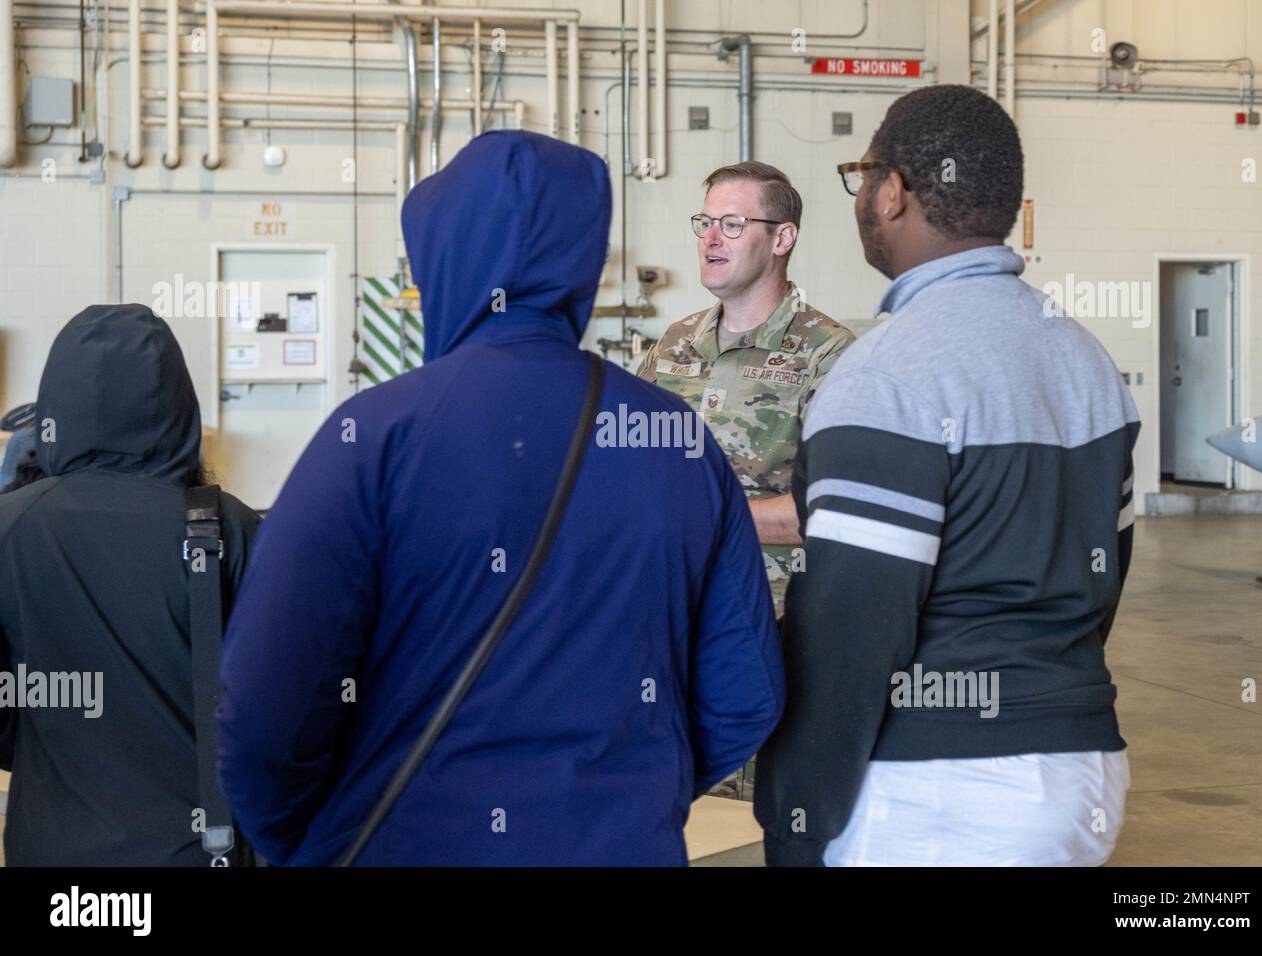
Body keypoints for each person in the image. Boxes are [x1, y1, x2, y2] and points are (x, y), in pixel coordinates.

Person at [218, 131, 784, 867]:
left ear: (443, 255)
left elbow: (265, 710)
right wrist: (631, 795)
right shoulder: (674, 439)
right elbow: (747, 695)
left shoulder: (373, 437)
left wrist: (306, 837)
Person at [755, 85, 1140, 866]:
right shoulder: (1086, 361)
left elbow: (852, 636)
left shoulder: (885, 375)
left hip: (937, 793)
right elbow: (1102, 585)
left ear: (892, 192)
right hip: (1079, 774)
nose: (863, 195)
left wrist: (795, 818)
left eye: (862, 176)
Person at [0, 304, 261, 865]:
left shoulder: (10, 528)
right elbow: (275, 713)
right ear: (178, 407)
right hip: (202, 852)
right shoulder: (234, 529)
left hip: (54, 859)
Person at [636, 161, 854, 618]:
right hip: (669, 604)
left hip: (771, 617)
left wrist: (700, 516)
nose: (710, 239)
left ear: (782, 239)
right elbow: (628, 465)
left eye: (732, 225)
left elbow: (829, 508)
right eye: (705, 223)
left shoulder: (827, 353)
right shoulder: (676, 340)